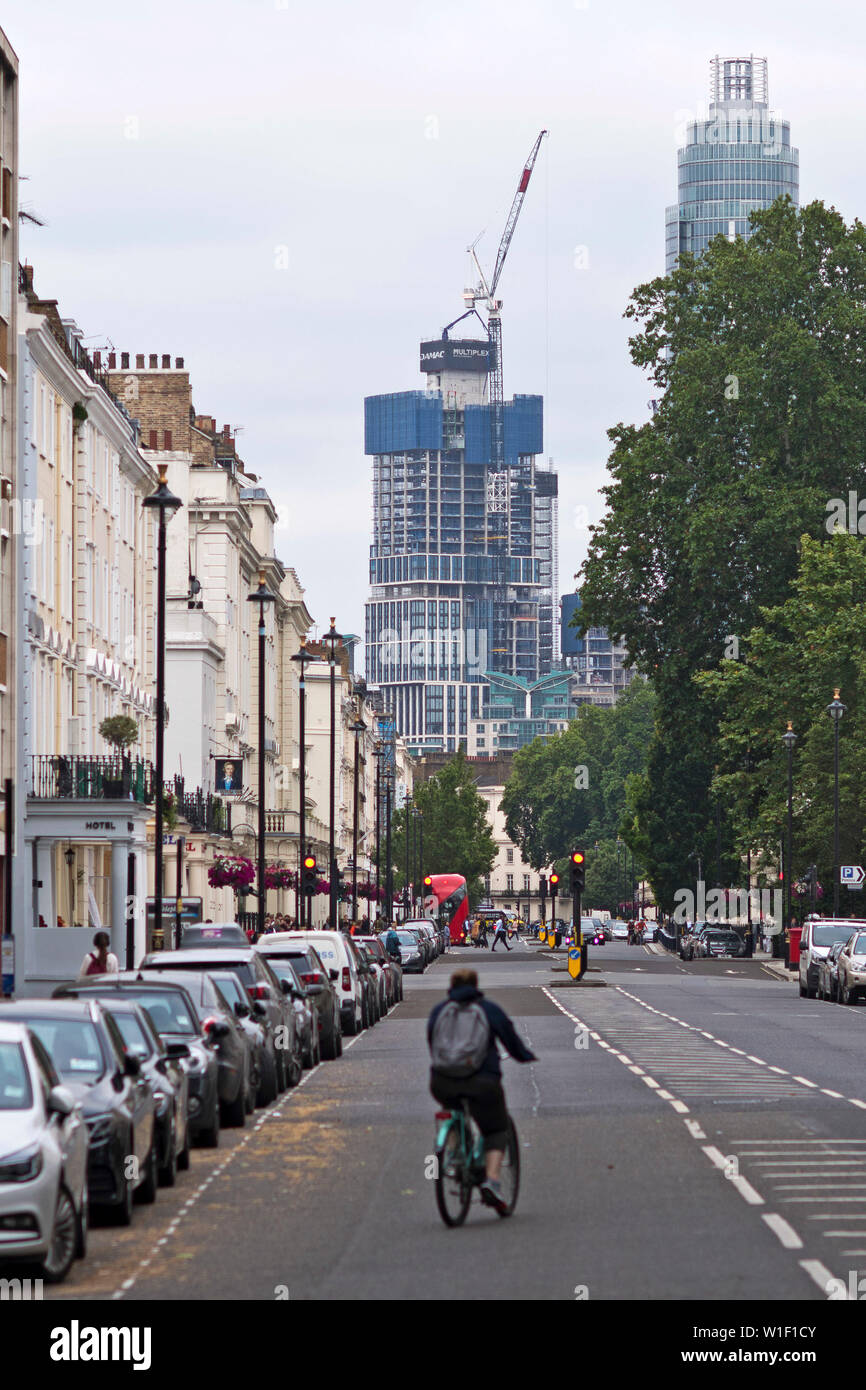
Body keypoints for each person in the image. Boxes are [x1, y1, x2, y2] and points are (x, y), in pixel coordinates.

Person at [428, 968, 537, 1215]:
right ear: (476, 985)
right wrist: (525, 1056)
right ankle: (492, 1180)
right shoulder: (488, 1010)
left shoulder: (439, 1012)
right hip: (481, 1081)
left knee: (451, 1107)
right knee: (496, 1128)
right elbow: (511, 1040)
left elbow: (431, 1043)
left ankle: (453, 1152)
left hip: (442, 1081)